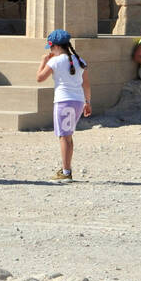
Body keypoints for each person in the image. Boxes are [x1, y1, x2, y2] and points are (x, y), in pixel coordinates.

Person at [37, 29, 91, 181]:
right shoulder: (80, 61)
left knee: (64, 136)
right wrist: (88, 102)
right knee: (68, 136)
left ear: (55, 46)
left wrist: (43, 62)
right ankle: (66, 169)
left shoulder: (55, 61)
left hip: (63, 101)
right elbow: (86, 84)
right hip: (79, 101)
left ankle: (66, 172)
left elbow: (39, 78)